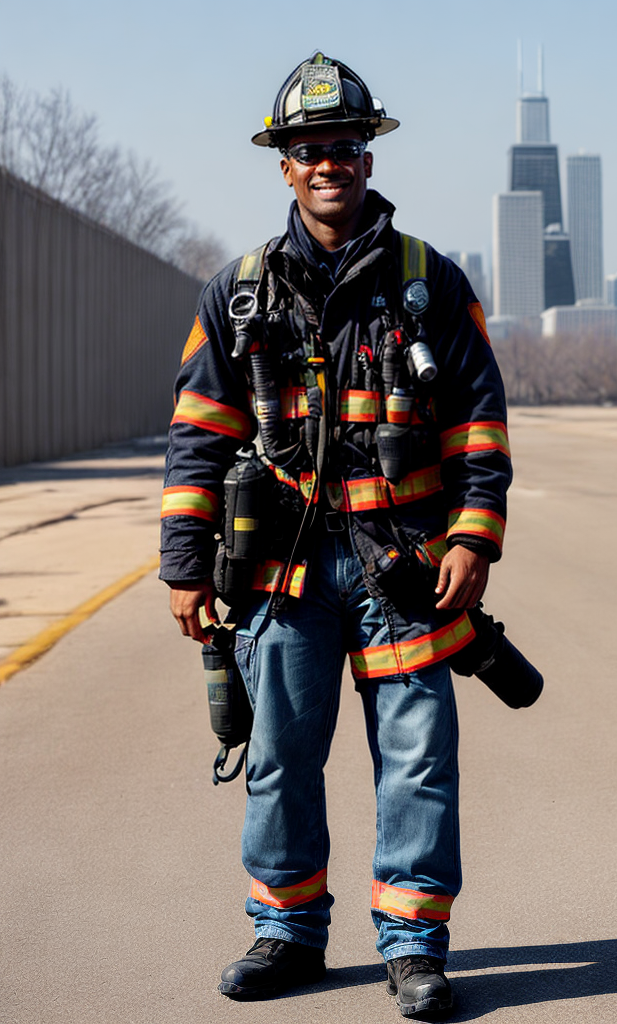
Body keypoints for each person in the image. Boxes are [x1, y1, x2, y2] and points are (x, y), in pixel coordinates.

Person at [160, 52, 511, 1018]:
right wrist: (187, 567)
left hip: (403, 566)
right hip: (280, 573)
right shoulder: (237, 294)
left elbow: (479, 426)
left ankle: (413, 949)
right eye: (310, 151)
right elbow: (199, 438)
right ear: (284, 165)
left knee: (417, 758)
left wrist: (474, 538)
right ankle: (286, 932)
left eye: (346, 148)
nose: (329, 165)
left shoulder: (429, 282)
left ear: (368, 157)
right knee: (280, 755)